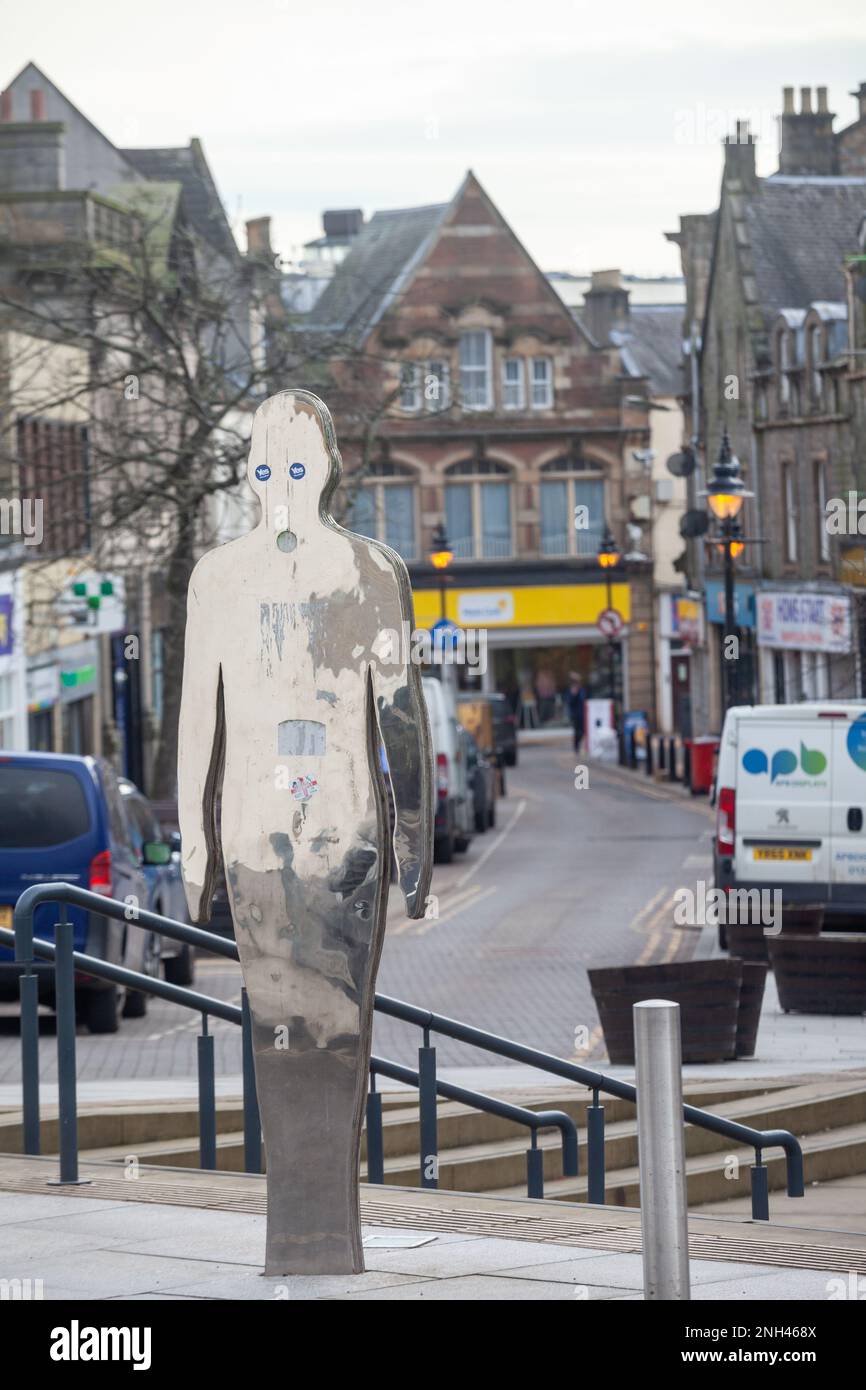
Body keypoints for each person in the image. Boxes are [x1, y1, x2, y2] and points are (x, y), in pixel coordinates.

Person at [178, 390, 433, 1276]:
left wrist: (414, 849)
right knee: (276, 1023)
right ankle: (298, 1234)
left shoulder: (372, 572)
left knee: (336, 1029)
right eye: (267, 465)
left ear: (328, 469)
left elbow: (401, 720)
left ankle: (324, 1234)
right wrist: (194, 842)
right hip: (254, 839)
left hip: (346, 840)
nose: (282, 484)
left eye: (299, 465)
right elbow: (195, 725)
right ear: (247, 472)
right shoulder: (215, 576)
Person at [565, 672, 587, 753]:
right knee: (578, 732)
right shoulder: (571, 690)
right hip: (576, 715)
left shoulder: (582, 690)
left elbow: (584, 700)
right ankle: (576, 747)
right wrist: (573, 695)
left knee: (583, 731)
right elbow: (569, 701)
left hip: (583, 714)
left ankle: (580, 746)